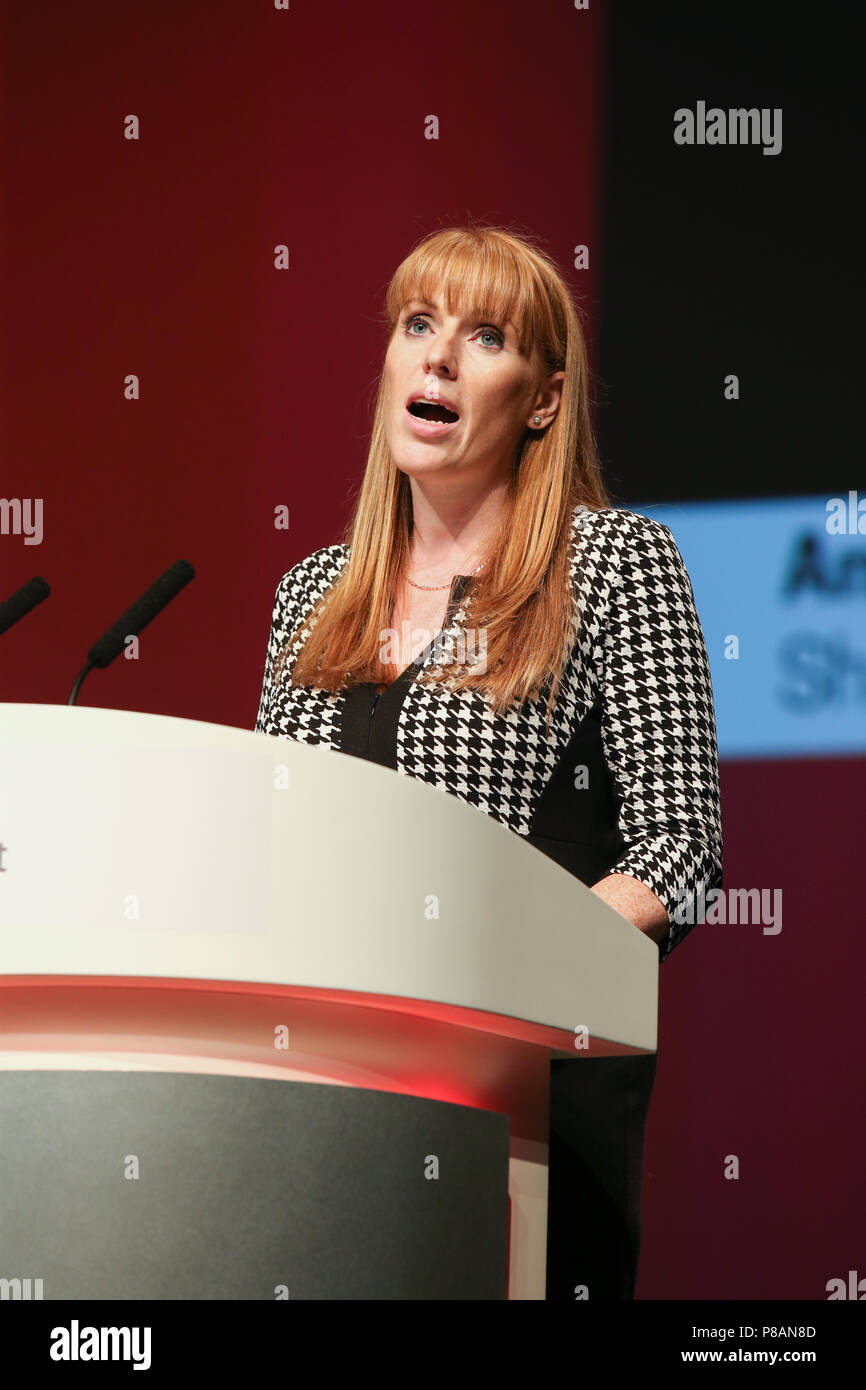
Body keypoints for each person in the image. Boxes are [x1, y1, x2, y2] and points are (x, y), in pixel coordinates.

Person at [255, 223, 723, 1299]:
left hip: (531, 1099)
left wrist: (499, 980)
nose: (437, 359)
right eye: (417, 326)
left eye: (483, 337)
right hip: (333, 1090)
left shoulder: (612, 564)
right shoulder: (308, 597)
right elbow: (276, 849)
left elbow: (677, 847)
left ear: (544, 399)